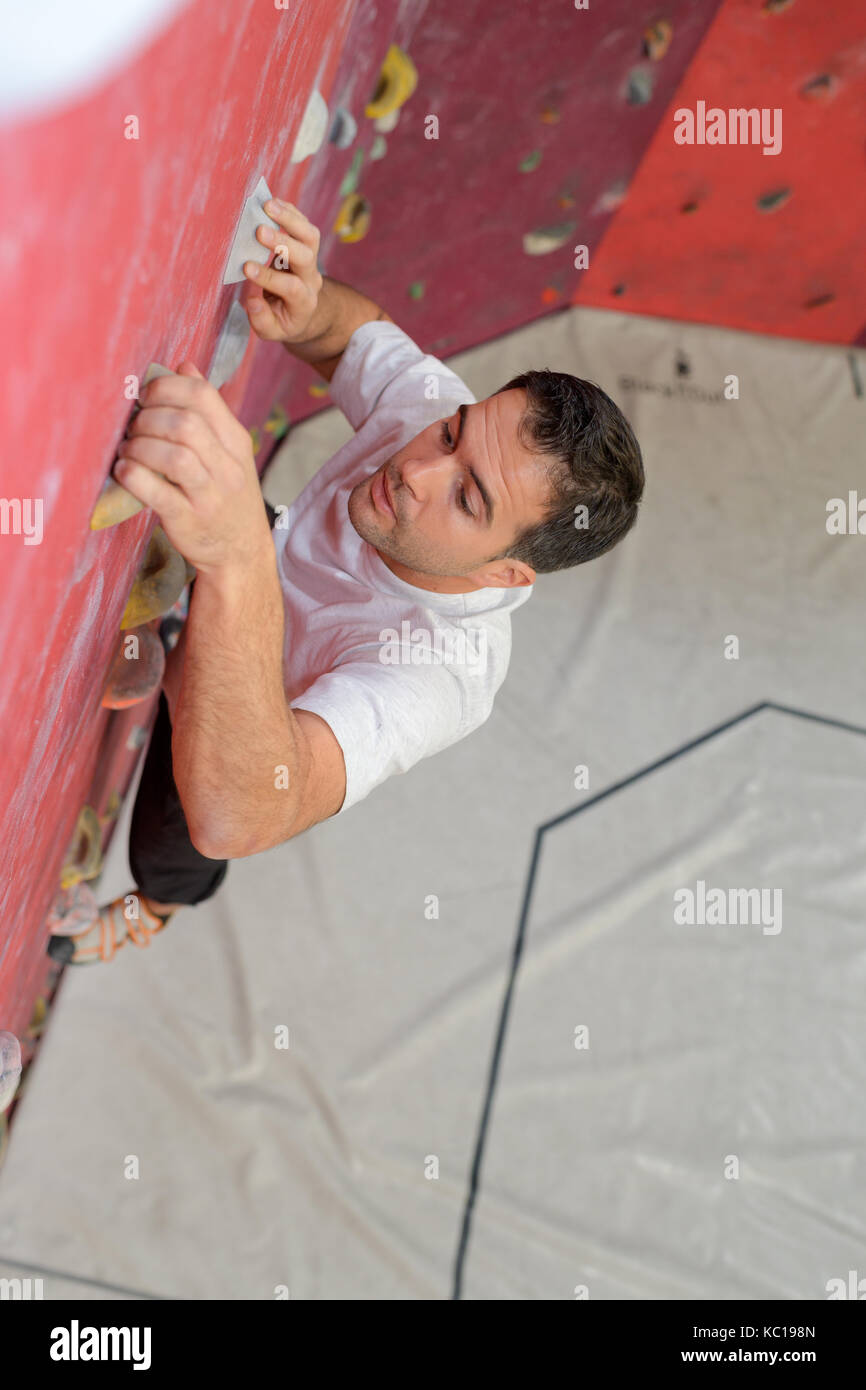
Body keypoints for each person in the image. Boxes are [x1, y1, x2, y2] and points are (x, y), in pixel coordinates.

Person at [58, 199, 645, 964]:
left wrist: (234, 561)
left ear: (506, 570)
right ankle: (200, 593)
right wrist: (307, 303)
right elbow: (350, 333)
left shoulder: (440, 677)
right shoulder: (437, 421)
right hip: (264, 555)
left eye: (466, 499)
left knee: (180, 841)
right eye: (452, 434)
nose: (413, 469)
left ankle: (158, 909)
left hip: (257, 705)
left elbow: (244, 813)